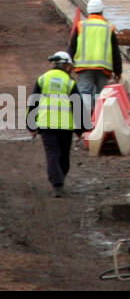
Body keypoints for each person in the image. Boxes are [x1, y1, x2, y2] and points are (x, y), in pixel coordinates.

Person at [28, 52, 81, 197]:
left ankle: (57, 183)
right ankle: (59, 182)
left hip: (46, 124)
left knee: (52, 154)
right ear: (65, 65)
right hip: (65, 126)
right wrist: (81, 129)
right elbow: (78, 106)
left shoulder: (43, 79)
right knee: (64, 155)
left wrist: (31, 125)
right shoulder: (70, 82)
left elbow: (34, 102)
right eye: (70, 66)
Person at [68, 0, 122, 125]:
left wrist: (68, 66)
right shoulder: (109, 28)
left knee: (85, 92)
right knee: (101, 94)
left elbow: (72, 47)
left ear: (89, 12)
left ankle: (84, 122)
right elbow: (115, 51)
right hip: (103, 68)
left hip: (84, 67)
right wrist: (118, 71)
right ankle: (99, 122)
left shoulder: (81, 26)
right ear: (102, 11)